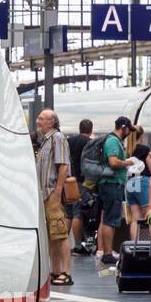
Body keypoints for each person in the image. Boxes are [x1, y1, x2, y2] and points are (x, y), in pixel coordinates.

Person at [35, 109, 72, 286]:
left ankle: (66, 272)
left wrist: (57, 192)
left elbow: (63, 166)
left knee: (61, 232)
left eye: (41, 119)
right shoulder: (45, 141)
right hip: (45, 194)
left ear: (52, 122)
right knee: (52, 234)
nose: (38, 121)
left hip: (51, 193)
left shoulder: (58, 138)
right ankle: (55, 271)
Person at [97, 117, 137, 266]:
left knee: (109, 218)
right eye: (128, 130)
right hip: (111, 184)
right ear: (123, 127)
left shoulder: (114, 140)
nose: (128, 133)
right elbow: (113, 162)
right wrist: (128, 162)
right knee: (110, 219)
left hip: (112, 184)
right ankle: (107, 253)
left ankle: (107, 251)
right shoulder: (113, 141)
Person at [125, 124, 151, 240]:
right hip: (143, 182)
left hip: (130, 183)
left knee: (135, 218)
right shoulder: (144, 150)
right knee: (149, 215)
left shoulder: (127, 150)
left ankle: (135, 246)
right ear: (142, 136)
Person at [68, 119, 94, 255]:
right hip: (81, 181)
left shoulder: (69, 141)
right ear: (91, 130)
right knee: (77, 213)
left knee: (69, 213)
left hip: (68, 181)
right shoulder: (89, 143)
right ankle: (78, 246)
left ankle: (63, 244)